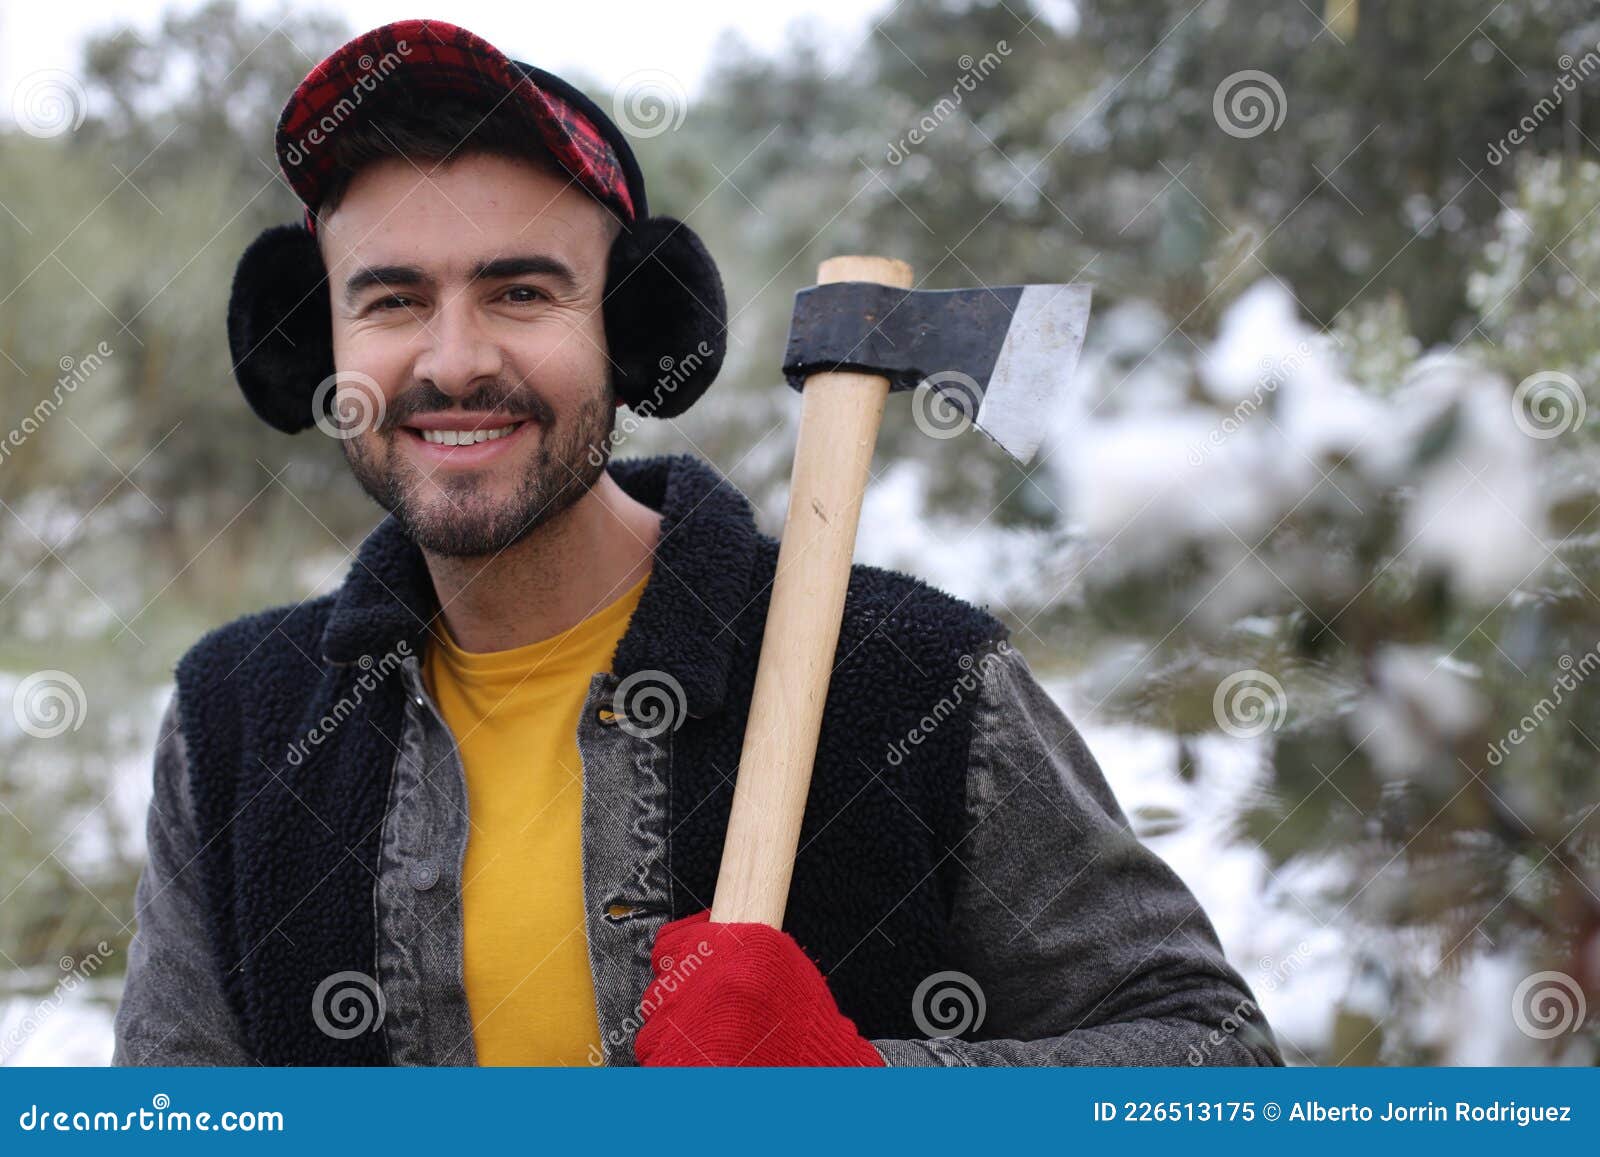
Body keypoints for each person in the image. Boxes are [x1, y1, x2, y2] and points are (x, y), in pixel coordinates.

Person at [112, 19, 1280, 1068]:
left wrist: (871, 1096)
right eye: (392, 298)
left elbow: (1220, 1060)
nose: (454, 358)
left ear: (634, 328)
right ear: (311, 346)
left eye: (520, 292)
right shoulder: (235, 721)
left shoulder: (910, 677)